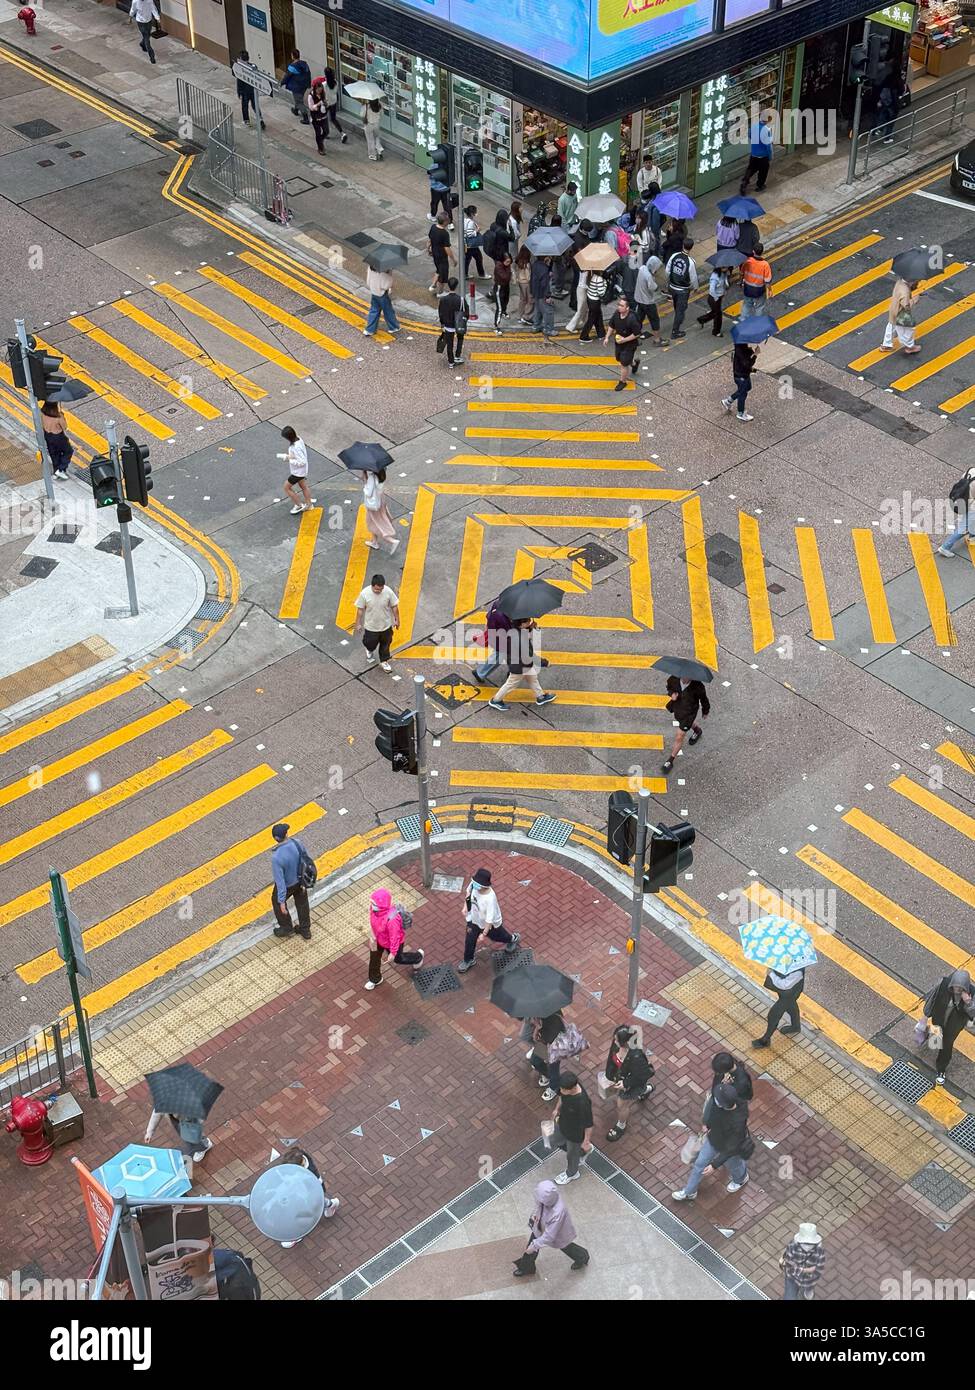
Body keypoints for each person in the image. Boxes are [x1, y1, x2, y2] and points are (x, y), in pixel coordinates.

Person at [672, 1081, 751, 1201]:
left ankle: (741, 1179)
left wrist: (714, 1165)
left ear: (724, 1104)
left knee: (734, 1164)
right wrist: (708, 1124)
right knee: (700, 1163)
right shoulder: (723, 1102)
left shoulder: (737, 1122)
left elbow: (732, 1148)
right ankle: (689, 1191)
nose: (715, 1099)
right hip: (715, 1138)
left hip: (731, 1145)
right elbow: (712, 1109)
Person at [512, 1180, 589, 1276]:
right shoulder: (549, 1196)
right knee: (532, 1245)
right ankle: (527, 1267)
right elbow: (539, 1205)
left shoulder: (558, 1212)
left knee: (565, 1246)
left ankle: (582, 1256)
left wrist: (534, 1246)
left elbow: (549, 1236)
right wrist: (536, 1215)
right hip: (541, 1225)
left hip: (558, 1233)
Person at [269, 1147, 340, 1247]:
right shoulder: (300, 1155)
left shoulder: (309, 1174)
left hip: (308, 1194)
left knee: (299, 1213)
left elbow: (315, 1189)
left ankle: (296, 1235)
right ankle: (331, 1204)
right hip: (302, 1192)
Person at [457, 867, 520, 973]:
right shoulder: (473, 884)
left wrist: (484, 934)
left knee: (500, 937)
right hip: (473, 920)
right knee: (469, 941)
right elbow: (468, 895)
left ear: (484, 886)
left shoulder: (490, 898)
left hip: (489, 925)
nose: (474, 885)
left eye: (478, 884)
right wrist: (466, 907)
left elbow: (489, 920)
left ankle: (513, 939)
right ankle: (468, 960)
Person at [488, 618, 556, 711]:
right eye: (527, 621)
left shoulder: (513, 629)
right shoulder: (521, 639)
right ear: (522, 624)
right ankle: (496, 700)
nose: (529, 621)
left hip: (520, 663)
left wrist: (530, 628)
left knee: (532, 678)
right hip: (519, 666)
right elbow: (530, 655)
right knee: (510, 684)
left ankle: (540, 696)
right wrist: (545, 663)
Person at [923, 968, 975, 1085]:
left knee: (946, 1046)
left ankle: (941, 1069)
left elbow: (973, 1014)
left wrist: (968, 1002)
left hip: (953, 1027)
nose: (957, 990)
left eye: (960, 988)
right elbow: (932, 998)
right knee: (935, 1039)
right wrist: (925, 1016)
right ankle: (933, 1040)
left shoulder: (972, 993)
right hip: (939, 1019)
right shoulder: (943, 984)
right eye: (955, 986)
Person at [603, 1025, 654, 1142]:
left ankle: (621, 1125)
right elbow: (611, 1060)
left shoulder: (636, 1056)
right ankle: (647, 1089)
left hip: (629, 1085)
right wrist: (609, 1075)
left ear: (625, 1042)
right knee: (636, 1093)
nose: (614, 1042)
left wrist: (625, 1083)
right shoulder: (617, 1045)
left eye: (616, 1040)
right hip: (620, 1078)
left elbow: (643, 1074)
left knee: (621, 1105)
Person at [365, 888, 423, 990]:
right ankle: (375, 979)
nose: (372, 906)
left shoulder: (392, 920)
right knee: (374, 958)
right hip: (378, 939)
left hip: (390, 943)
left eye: (374, 904)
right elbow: (372, 921)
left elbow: (395, 937)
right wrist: (372, 934)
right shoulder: (374, 910)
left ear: (381, 905)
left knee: (398, 959)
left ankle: (418, 957)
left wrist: (392, 953)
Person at [270, 822, 312, 941]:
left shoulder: (276, 857)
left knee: (276, 901)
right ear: (286, 834)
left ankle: (286, 927)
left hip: (288, 885)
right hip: (301, 881)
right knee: (302, 903)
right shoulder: (297, 843)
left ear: (275, 839)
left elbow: (280, 881)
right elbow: (306, 861)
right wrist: (305, 882)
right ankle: (305, 929)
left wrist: (282, 902)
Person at [662, 674, 710, 774]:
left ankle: (670, 760)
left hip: (689, 713)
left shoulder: (698, 686)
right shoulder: (673, 679)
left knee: (680, 736)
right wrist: (672, 694)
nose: (685, 679)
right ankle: (697, 730)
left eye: (688, 677)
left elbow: (704, 699)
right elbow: (669, 687)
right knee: (683, 722)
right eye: (683, 676)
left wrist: (705, 711)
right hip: (678, 709)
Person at [551, 1073, 593, 1184]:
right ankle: (582, 1152)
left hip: (575, 1132)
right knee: (556, 1141)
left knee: (572, 1155)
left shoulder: (583, 1103)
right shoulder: (565, 1087)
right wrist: (556, 1109)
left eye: (564, 1090)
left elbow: (589, 1124)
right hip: (563, 1122)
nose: (561, 1091)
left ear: (574, 1088)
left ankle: (572, 1173)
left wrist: (586, 1141)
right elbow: (561, 1096)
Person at [353, 573, 399, 672]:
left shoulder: (388, 591)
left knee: (386, 644)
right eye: (376, 589)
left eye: (380, 589)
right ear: (372, 585)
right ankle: (369, 649)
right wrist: (358, 623)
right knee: (369, 643)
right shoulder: (364, 593)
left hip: (386, 625)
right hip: (371, 627)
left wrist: (397, 619)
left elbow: (394, 606)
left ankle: (384, 661)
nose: (378, 591)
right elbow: (360, 609)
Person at [752, 965, 806, 1048]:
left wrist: (771, 974)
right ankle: (795, 1026)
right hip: (786, 993)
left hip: (789, 994)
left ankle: (765, 1039)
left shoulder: (797, 972)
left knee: (773, 1015)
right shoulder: (787, 961)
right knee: (791, 1006)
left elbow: (784, 985)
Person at [145, 1108, 213, 1171]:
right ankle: (201, 1144)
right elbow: (156, 1114)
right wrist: (149, 1132)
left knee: (194, 1138)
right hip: (178, 1122)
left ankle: (205, 1145)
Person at [358, 467, 399, 554]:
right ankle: (374, 542)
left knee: (377, 524)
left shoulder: (371, 478)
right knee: (372, 522)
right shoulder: (381, 473)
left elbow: (368, 493)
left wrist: (365, 484)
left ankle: (392, 541)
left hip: (373, 506)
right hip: (380, 501)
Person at [605, 294, 642, 390]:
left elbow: (637, 334)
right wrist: (607, 337)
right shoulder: (617, 314)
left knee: (623, 364)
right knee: (621, 359)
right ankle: (634, 363)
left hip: (629, 345)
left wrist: (624, 340)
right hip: (619, 344)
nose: (619, 307)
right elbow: (611, 326)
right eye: (619, 305)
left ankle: (622, 382)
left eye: (622, 306)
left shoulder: (632, 319)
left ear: (627, 308)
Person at [937, 466, 975, 557]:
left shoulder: (971, 470)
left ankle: (972, 535)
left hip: (962, 500)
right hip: (971, 505)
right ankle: (945, 547)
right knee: (963, 528)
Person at [781, 1224, 825, 1300]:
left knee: (806, 1296)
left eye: (810, 1243)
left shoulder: (819, 1249)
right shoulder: (792, 1246)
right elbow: (790, 1267)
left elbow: (819, 1267)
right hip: (792, 1278)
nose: (807, 1246)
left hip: (809, 1279)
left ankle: (807, 1291)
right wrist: (807, 1270)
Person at [666, 237, 698, 340]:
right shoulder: (691, 262)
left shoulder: (674, 256)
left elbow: (667, 271)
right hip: (683, 290)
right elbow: (693, 278)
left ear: (683, 245)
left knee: (676, 306)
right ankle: (675, 331)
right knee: (680, 310)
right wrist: (695, 288)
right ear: (692, 248)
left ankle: (678, 318)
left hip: (672, 286)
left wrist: (669, 281)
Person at [722, 337, 758, 423]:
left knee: (747, 387)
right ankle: (741, 413)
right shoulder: (740, 349)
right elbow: (747, 363)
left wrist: (751, 351)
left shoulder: (741, 346)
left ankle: (728, 401)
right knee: (743, 393)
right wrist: (755, 354)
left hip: (743, 373)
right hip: (741, 375)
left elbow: (745, 360)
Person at [881, 276, 921, 354]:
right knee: (908, 329)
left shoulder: (899, 282)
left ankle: (886, 344)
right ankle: (909, 347)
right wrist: (914, 300)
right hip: (900, 313)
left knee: (891, 325)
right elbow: (906, 305)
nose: (918, 282)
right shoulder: (905, 291)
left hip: (893, 308)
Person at [278, 426, 311, 515]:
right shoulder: (299, 439)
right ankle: (309, 504)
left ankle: (299, 505)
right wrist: (289, 456)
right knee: (303, 486)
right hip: (301, 471)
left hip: (298, 472)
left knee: (286, 487)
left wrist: (289, 459)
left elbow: (302, 462)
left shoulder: (296, 447)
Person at [740, 110, 774, 194]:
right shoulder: (766, 130)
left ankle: (744, 183)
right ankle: (760, 186)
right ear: (768, 119)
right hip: (763, 156)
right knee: (763, 172)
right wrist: (770, 156)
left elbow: (749, 135)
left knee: (751, 169)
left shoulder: (754, 126)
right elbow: (768, 146)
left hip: (754, 153)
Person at [482, 210, 513, 302]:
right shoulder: (502, 232)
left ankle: (493, 291)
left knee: (498, 271)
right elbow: (512, 237)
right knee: (501, 273)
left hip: (494, 252)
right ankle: (496, 292)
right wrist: (510, 227)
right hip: (502, 254)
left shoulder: (493, 225)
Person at [633, 254, 663, 344]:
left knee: (639, 319)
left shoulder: (642, 268)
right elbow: (653, 287)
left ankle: (635, 339)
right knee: (654, 320)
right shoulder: (649, 276)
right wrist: (658, 285)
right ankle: (657, 339)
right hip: (648, 302)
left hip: (639, 299)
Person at [364, 264, 400, 338]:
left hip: (374, 293)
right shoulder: (384, 273)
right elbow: (386, 286)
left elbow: (368, 282)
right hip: (382, 295)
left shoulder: (370, 268)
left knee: (374, 311)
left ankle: (369, 330)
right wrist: (390, 274)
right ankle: (393, 327)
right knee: (388, 311)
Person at [740, 243, 773, 320]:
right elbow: (767, 281)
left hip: (747, 288)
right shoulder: (765, 265)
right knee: (759, 307)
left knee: (746, 305)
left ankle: (743, 321)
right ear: (762, 252)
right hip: (759, 290)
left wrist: (741, 282)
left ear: (753, 251)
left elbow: (741, 273)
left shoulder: (747, 261)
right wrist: (770, 290)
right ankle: (757, 323)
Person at [438, 276, 466, 366]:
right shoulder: (461, 300)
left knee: (449, 343)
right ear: (456, 286)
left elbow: (441, 313)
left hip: (448, 325)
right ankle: (458, 355)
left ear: (448, 286)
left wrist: (442, 324)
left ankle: (451, 362)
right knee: (460, 339)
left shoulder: (443, 300)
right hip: (459, 324)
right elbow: (466, 312)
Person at [41, 401, 73, 479]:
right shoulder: (58, 417)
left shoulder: (43, 414)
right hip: (58, 437)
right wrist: (62, 416)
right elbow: (65, 427)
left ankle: (56, 472)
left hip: (47, 435)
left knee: (54, 454)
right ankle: (61, 469)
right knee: (68, 451)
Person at [235, 51, 265, 129]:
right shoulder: (253, 66)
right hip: (253, 90)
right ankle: (260, 119)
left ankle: (246, 121)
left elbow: (239, 82)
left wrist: (239, 92)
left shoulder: (240, 68)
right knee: (255, 105)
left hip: (245, 91)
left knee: (245, 106)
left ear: (241, 59)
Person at [698, 265, 730, 337]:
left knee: (715, 313)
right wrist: (716, 298)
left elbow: (725, 283)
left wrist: (727, 280)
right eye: (724, 267)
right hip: (714, 298)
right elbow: (711, 290)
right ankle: (716, 332)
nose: (726, 268)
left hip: (719, 297)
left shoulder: (724, 273)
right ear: (719, 268)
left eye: (726, 267)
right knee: (718, 315)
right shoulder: (714, 277)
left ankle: (702, 320)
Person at [281, 50, 311, 123]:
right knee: (298, 98)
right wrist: (309, 84)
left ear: (292, 56)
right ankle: (295, 110)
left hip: (296, 86)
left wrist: (282, 82)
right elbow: (308, 74)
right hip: (304, 85)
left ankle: (306, 117)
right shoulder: (304, 64)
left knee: (299, 101)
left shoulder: (292, 67)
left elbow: (287, 76)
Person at [428, 212, 454, 296]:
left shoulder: (433, 227)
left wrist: (428, 249)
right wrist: (453, 259)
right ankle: (440, 292)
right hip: (442, 257)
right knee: (443, 276)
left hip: (435, 254)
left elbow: (429, 240)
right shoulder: (444, 233)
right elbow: (447, 248)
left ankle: (433, 285)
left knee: (438, 270)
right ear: (445, 222)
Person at [579, 269, 608, 342]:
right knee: (591, 319)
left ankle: (601, 334)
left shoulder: (591, 275)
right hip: (595, 301)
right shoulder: (599, 278)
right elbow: (601, 293)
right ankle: (583, 336)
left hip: (590, 299)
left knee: (598, 317)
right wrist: (605, 284)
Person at [530, 255, 555, 338]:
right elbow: (545, 284)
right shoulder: (544, 269)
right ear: (546, 258)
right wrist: (548, 296)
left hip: (536, 292)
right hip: (543, 293)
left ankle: (536, 326)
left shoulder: (535, 264)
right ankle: (549, 329)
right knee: (549, 311)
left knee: (538, 310)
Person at [322, 68, 348, 142]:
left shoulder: (324, 85)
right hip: (333, 102)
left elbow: (322, 94)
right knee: (333, 119)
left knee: (324, 118)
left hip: (326, 103)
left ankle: (326, 133)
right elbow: (336, 92)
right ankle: (342, 133)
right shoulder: (335, 82)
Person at [306, 80, 330, 154]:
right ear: (315, 89)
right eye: (318, 90)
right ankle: (320, 148)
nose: (319, 92)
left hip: (323, 116)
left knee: (326, 131)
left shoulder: (323, 94)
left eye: (320, 90)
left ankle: (321, 140)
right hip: (315, 118)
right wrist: (318, 104)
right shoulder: (311, 96)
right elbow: (311, 107)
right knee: (318, 133)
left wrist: (326, 104)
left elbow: (327, 102)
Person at [463, 205, 485, 279]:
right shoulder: (471, 222)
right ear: (472, 213)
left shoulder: (464, 220)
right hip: (472, 245)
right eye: (475, 212)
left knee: (468, 260)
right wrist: (477, 231)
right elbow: (469, 234)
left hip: (467, 244)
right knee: (478, 258)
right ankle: (481, 274)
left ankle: (465, 274)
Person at [493, 253, 512, 332]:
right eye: (507, 262)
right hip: (499, 287)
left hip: (505, 286)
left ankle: (504, 311)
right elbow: (505, 277)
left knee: (505, 300)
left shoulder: (506, 266)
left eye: (509, 262)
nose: (509, 264)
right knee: (499, 307)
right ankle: (496, 325)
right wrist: (509, 272)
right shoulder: (498, 267)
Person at [514, 245, 533, 321]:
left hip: (520, 282)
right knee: (530, 300)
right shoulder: (527, 264)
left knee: (522, 299)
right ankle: (526, 315)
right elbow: (528, 277)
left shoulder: (518, 260)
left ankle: (519, 315)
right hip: (526, 283)